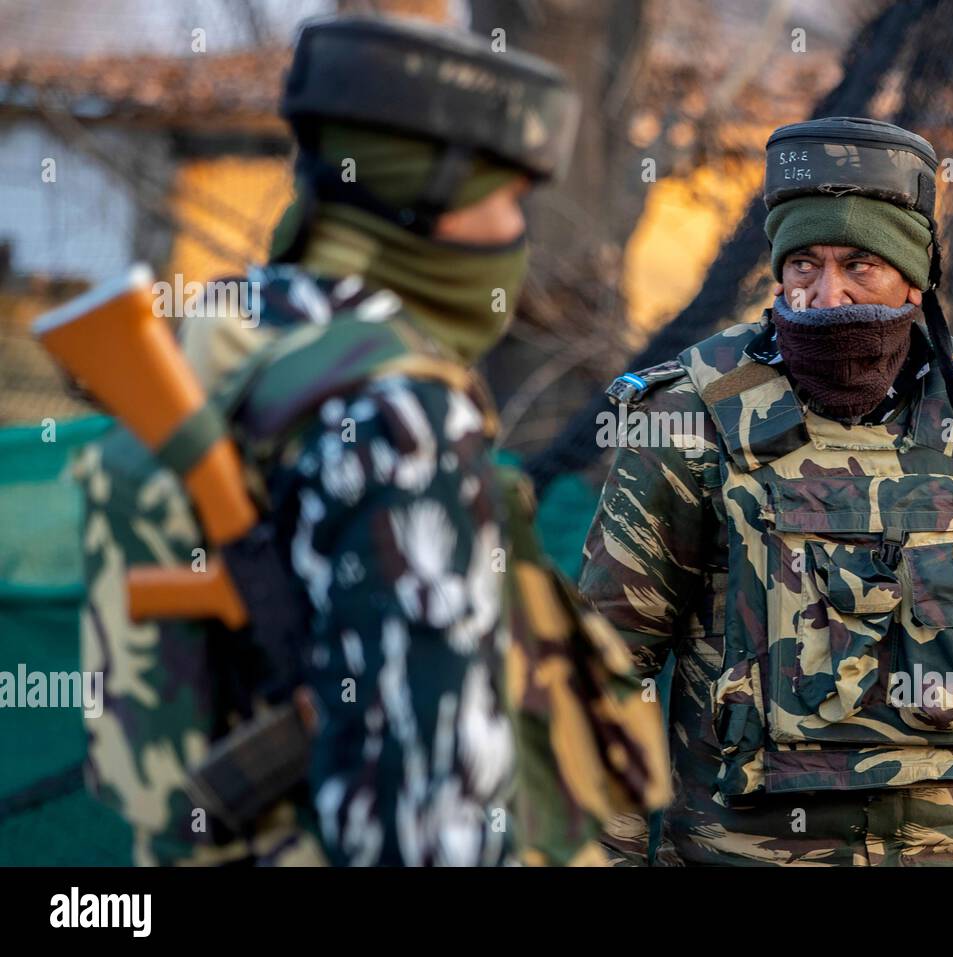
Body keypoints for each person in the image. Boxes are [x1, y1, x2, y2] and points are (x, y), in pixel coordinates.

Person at [78, 14, 665, 867]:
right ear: (421, 201)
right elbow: (431, 814)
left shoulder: (233, 330)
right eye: (501, 199)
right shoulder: (403, 413)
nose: (516, 230)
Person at [579, 117, 953, 866]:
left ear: (915, 279)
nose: (828, 295)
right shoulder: (693, 414)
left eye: (861, 264)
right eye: (803, 267)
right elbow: (604, 666)